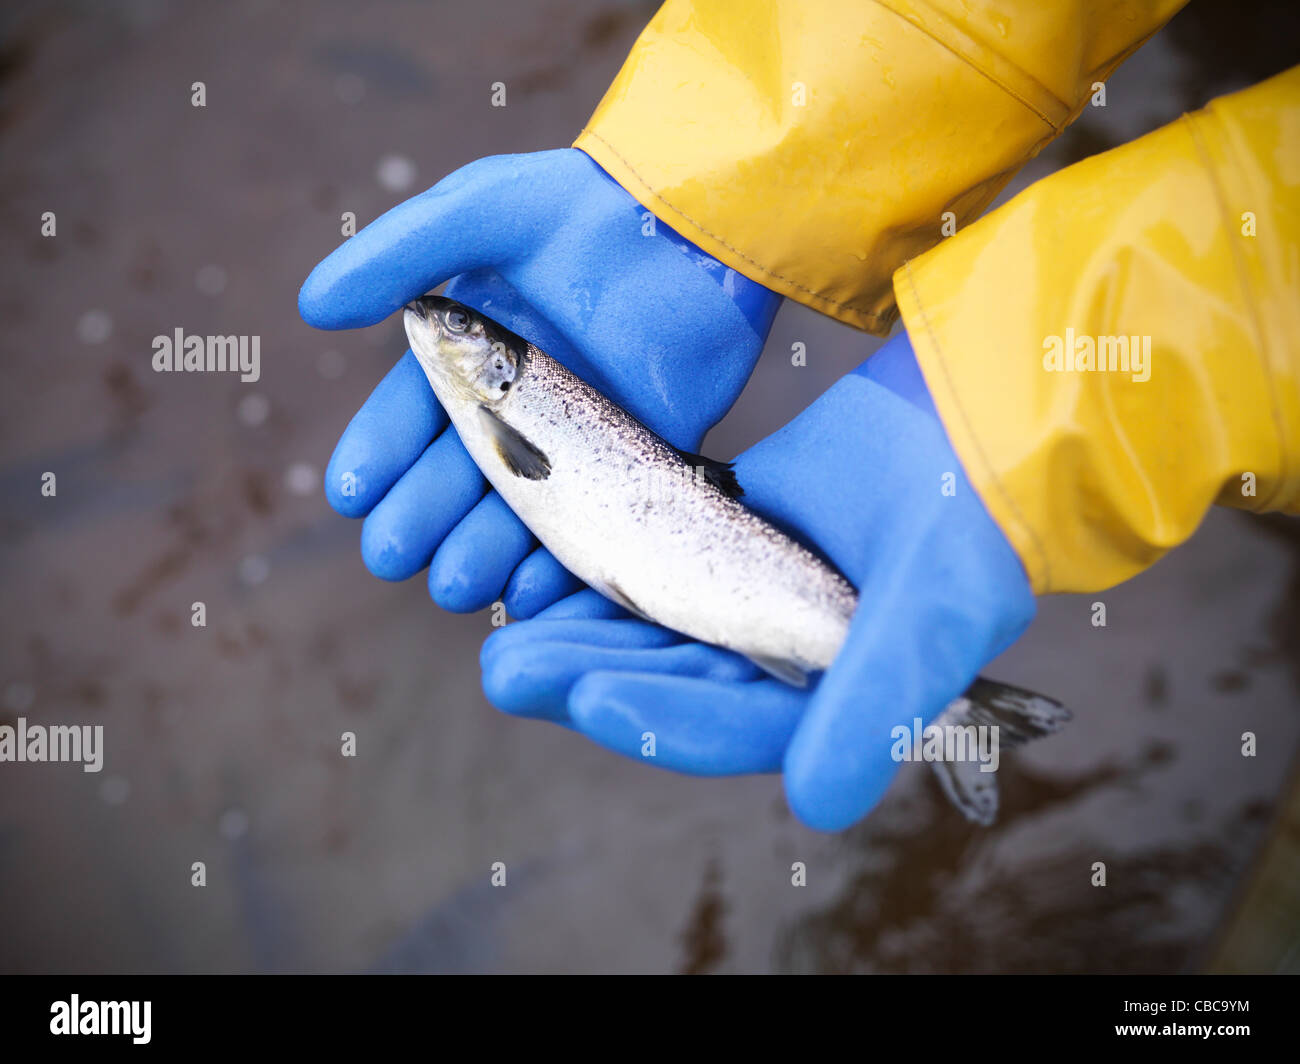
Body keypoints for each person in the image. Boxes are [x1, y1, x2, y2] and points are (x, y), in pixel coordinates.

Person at [299, 1, 1300, 831]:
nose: (433, 331)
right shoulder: (494, 393)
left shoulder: (498, 404)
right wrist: (724, 176)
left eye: (450, 332)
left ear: (487, 367)